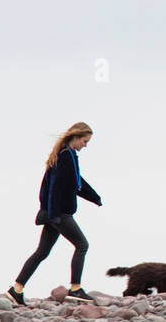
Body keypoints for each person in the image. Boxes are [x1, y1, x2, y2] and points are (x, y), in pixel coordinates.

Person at [8, 122, 102, 304]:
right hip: (59, 214)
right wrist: (54, 215)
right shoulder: (65, 156)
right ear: (76, 137)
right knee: (82, 245)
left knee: (42, 252)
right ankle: (75, 288)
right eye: (85, 141)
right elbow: (54, 188)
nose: (86, 145)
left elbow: (77, 183)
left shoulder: (68, 155)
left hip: (55, 214)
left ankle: (16, 290)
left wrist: (95, 197)